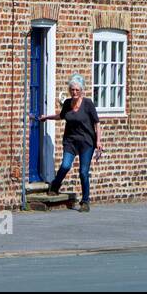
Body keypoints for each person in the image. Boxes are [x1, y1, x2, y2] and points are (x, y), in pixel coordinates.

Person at [39, 73, 101, 211]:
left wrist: (98, 141)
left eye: (77, 90)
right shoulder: (67, 103)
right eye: (72, 89)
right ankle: (54, 187)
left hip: (87, 142)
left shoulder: (88, 104)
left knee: (83, 172)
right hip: (71, 141)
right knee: (65, 165)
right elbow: (61, 116)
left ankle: (85, 202)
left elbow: (97, 123)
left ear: (82, 91)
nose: (74, 92)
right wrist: (46, 117)